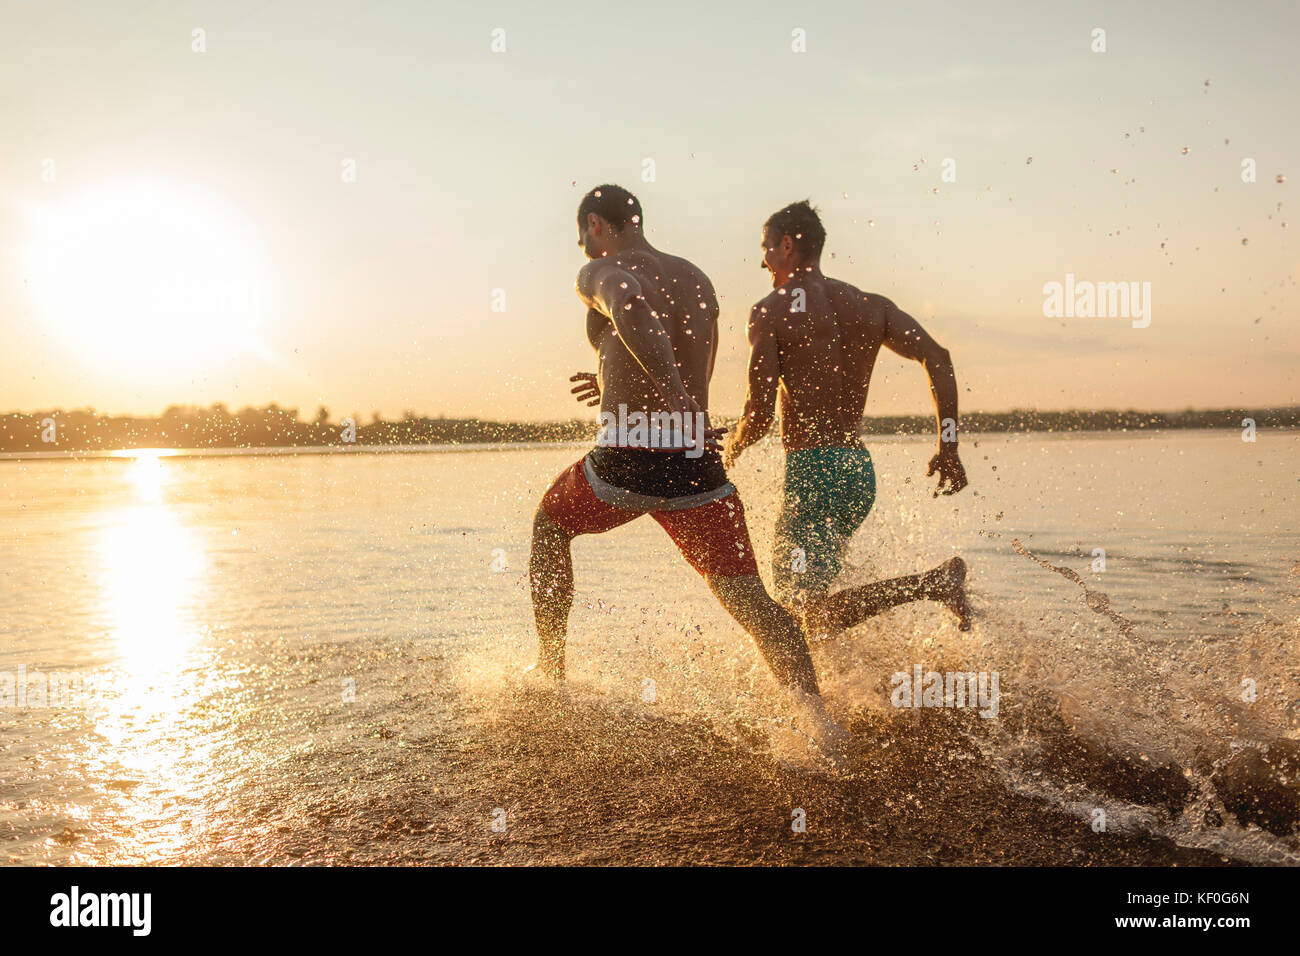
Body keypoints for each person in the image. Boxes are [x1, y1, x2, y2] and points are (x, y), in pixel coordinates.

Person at [529, 185, 842, 749]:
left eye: (583, 239)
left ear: (596, 225)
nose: (583, 249)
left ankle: (550, 675)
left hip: (627, 460)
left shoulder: (599, 272)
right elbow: (696, 353)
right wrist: (649, 395)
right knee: (757, 608)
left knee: (549, 527)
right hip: (695, 466)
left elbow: (628, 307)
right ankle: (821, 729)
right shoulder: (696, 277)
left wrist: (674, 400)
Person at [724, 200, 972, 639]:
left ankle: (932, 583)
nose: (762, 260)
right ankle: (850, 693)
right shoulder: (868, 305)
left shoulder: (771, 311)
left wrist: (731, 447)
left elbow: (759, 416)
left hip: (814, 473)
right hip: (857, 472)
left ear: (786, 245)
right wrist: (947, 446)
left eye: (765, 248)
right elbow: (939, 357)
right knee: (812, 611)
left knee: (799, 616)